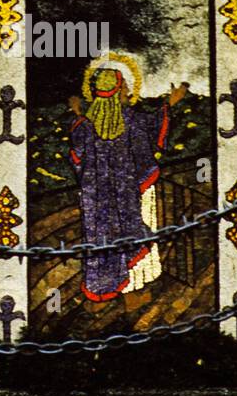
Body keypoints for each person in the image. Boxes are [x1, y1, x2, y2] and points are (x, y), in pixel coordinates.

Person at [68, 63, 188, 305]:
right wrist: (172, 103)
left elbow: (78, 152)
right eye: (123, 87)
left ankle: (105, 285)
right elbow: (154, 127)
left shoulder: (86, 127)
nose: (126, 92)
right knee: (131, 229)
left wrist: (77, 112)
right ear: (118, 90)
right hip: (130, 195)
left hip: (97, 199)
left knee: (101, 236)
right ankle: (136, 281)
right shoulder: (130, 121)